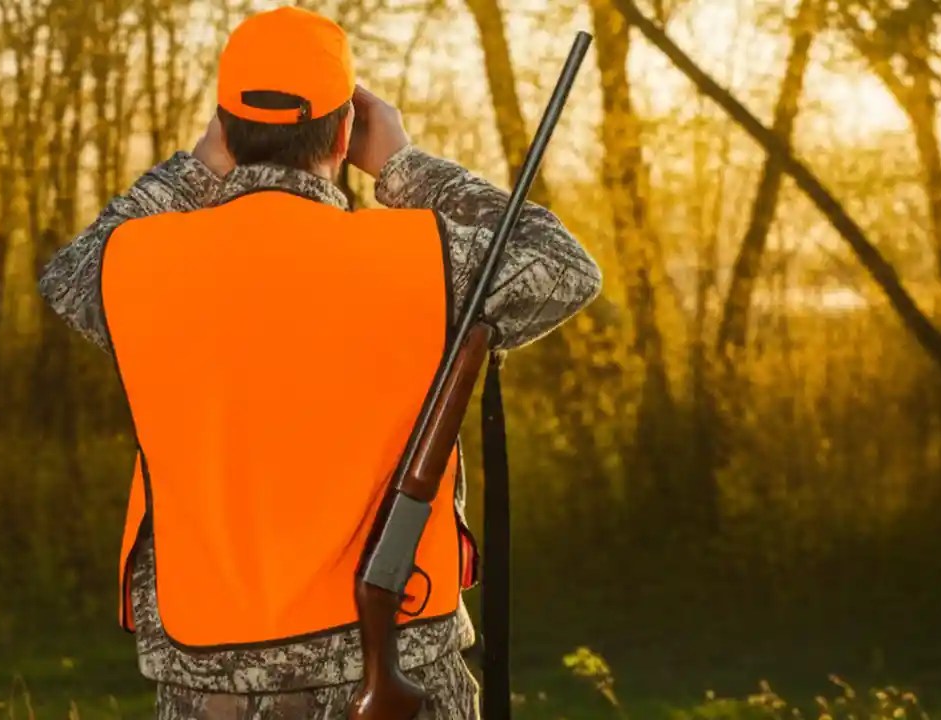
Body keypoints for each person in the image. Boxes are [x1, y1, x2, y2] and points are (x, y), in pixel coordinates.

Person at [37, 6, 601, 718]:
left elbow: (68, 274)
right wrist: (403, 166)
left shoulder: (136, 265)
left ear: (224, 130)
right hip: (394, 657)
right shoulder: (424, 259)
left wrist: (196, 170)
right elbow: (564, 268)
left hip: (208, 680)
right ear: (345, 133)